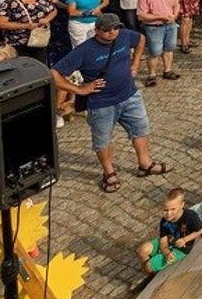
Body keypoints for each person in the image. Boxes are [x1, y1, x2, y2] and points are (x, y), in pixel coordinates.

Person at [50, 14, 168, 192]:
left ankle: (145, 163)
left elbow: (141, 39)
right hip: (101, 104)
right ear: (97, 30)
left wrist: (135, 64)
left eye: (115, 28)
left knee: (141, 128)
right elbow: (55, 74)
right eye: (107, 30)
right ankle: (109, 173)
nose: (112, 32)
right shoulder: (84, 50)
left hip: (130, 95)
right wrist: (80, 89)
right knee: (103, 140)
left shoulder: (124, 35)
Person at [136, 187, 202, 274]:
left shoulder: (190, 217)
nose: (168, 213)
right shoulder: (164, 221)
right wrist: (166, 253)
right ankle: (148, 271)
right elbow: (163, 241)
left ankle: (150, 269)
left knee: (149, 266)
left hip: (180, 249)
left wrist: (185, 240)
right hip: (168, 244)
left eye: (173, 209)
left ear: (182, 205)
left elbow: (200, 230)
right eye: (165, 210)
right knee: (141, 250)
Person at [135, 0, 182, 86]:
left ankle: (168, 70)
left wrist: (175, 15)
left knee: (169, 48)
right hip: (154, 27)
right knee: (155, 52)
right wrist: (160, 16)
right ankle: (151, 75)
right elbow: (141, 15)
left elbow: (176, 4)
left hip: (170, 24)